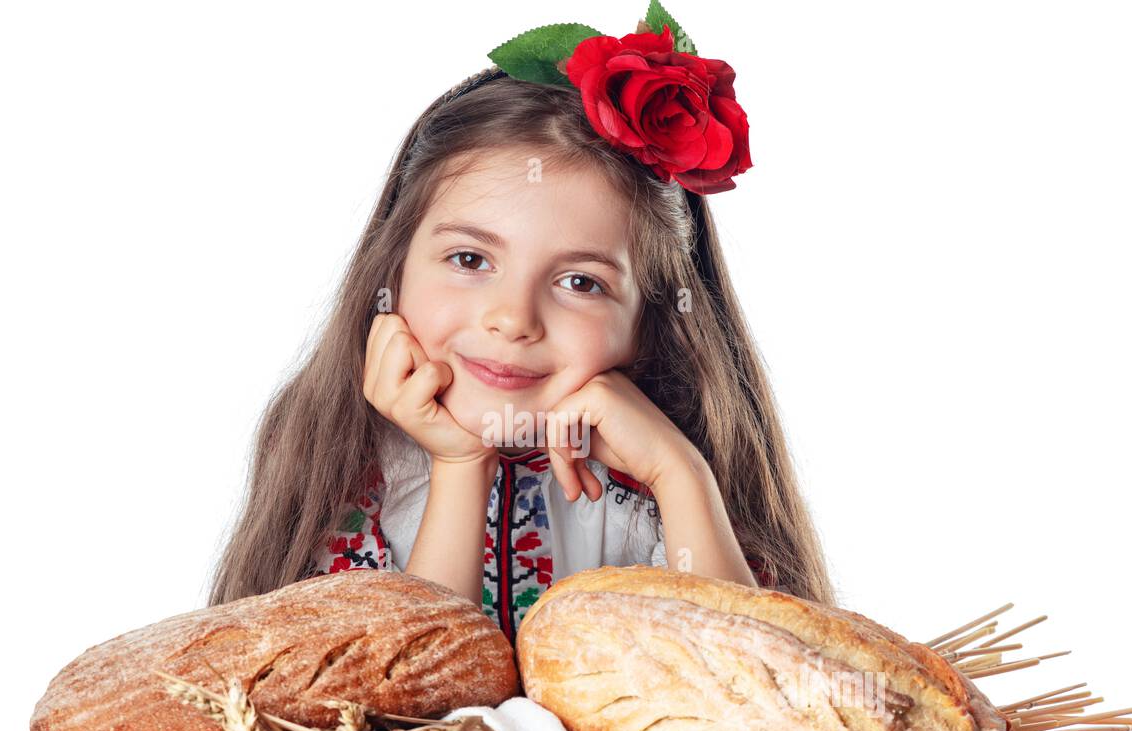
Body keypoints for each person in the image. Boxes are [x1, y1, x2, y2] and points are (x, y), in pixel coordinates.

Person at [207, 21, 836, 642]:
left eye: (580, 283)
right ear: (393, 269)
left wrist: (680, 475)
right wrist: (462, 465)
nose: (512, 319)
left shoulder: (657, 495)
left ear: (650, 325)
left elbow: (750, 702)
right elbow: (404, 718)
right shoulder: (339, 464)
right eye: (470, 260)